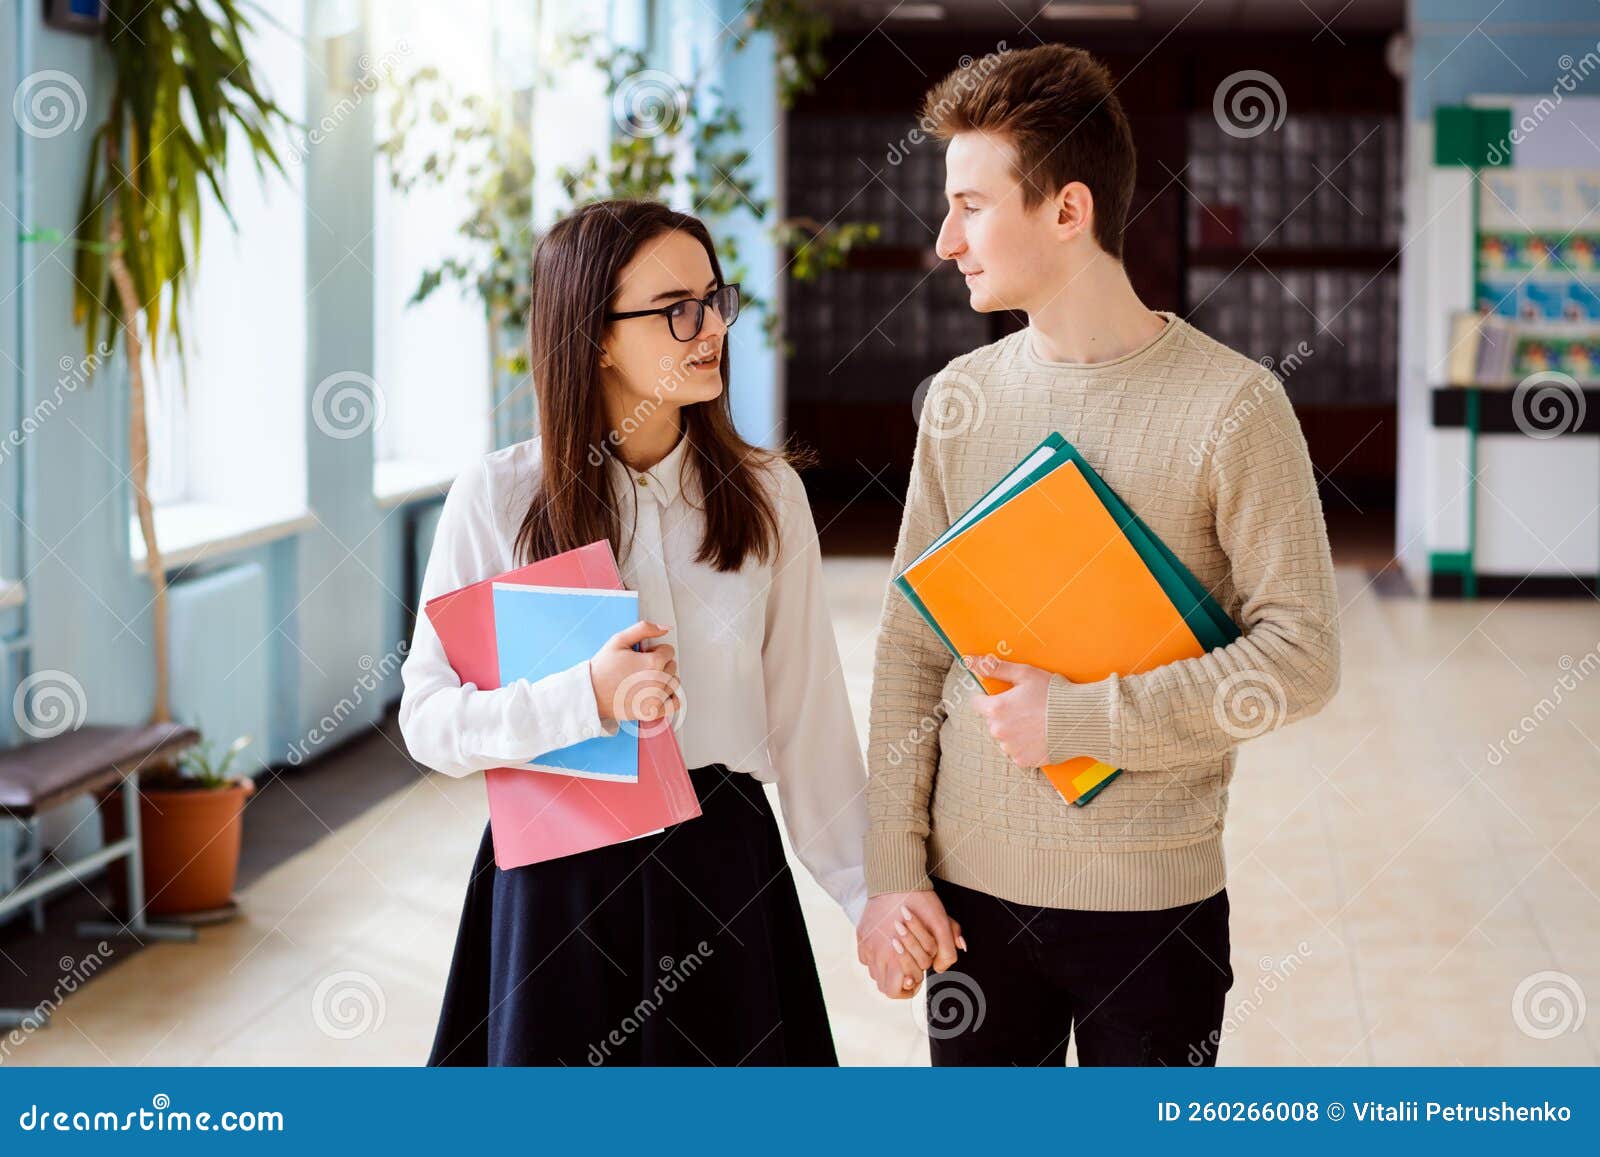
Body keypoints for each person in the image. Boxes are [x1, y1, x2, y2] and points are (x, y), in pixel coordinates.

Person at [857, 44, 1342, 1066]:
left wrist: (1078, 718)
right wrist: (893, 868)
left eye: (971, 206)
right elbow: (910, 648)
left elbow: (1300, 656)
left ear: (1067, 211)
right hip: (969, 904)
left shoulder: (1235, 406)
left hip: (1152, 909)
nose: (945, 239)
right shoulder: (961, 397)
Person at [400, 199, 946, 1065]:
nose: (711, 330)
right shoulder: (502, 496)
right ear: (597, 335)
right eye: (676, 310)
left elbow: (809, 725)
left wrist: (869, 894)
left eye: (715, 300)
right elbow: (429, 719)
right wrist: (583, 698)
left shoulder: (770, 497)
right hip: (554, 878)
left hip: (720, 869)